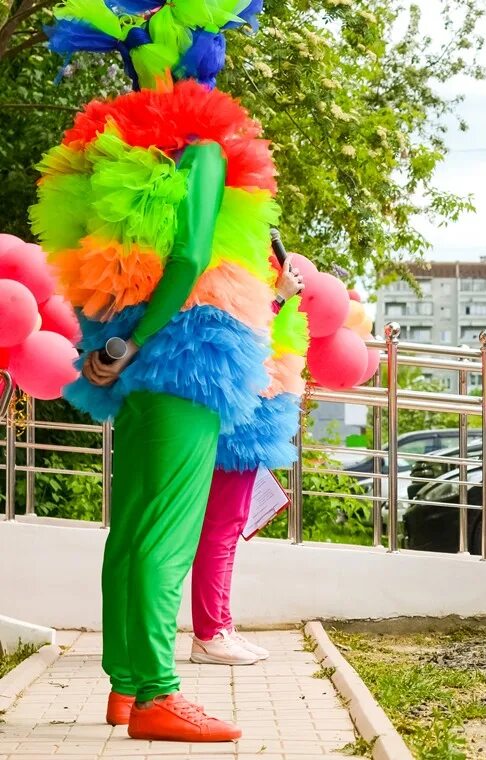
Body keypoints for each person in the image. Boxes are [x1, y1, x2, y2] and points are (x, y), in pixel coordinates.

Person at [37, 0, 274, 741]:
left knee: (133, 529)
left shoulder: (134, 160)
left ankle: (128, 686)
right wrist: (135, 343)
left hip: (136, 364)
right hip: (188, 357)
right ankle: (158, 697)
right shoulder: (204, 152)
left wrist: (114, 349)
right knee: (166, 533)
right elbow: (192, 259)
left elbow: (105, 270)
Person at [191, 258, 309, 665]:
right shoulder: (229, 272)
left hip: (248, 419)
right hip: (237, 422)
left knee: (228, 527)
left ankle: (220, 626)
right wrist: (278, 296)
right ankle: (210, 632)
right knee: (220, 530)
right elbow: (246, 338)